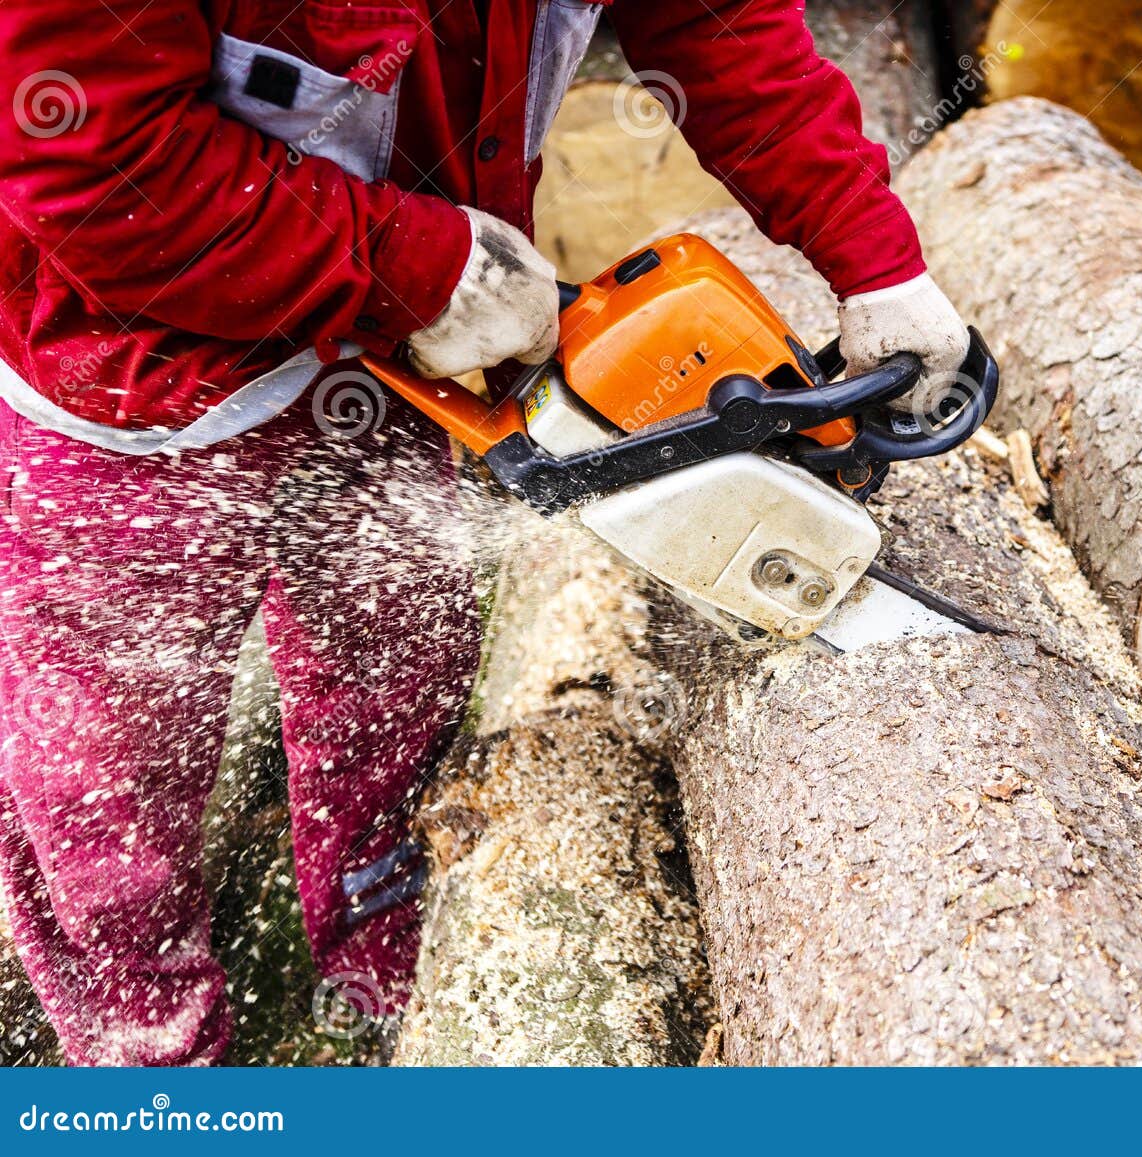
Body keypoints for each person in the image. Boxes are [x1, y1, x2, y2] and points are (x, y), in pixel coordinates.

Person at [0, 0, 971, 1065]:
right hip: (119, 382)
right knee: (105, 776)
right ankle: (148, 1054)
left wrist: (871, 255)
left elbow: (718, 20)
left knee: (396, 669)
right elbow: (99, 170)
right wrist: (416, 267)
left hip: (389, 357)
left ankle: (388, 958)